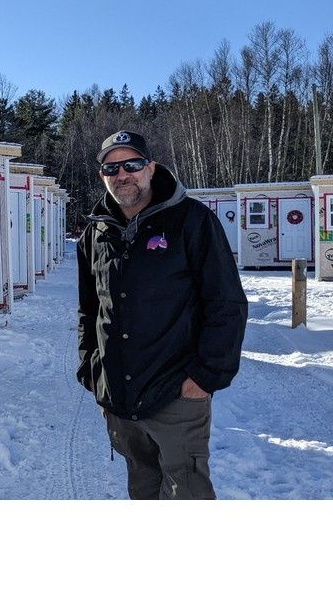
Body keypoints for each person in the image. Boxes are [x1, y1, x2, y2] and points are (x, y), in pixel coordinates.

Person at [76, 130, 247, 499]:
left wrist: (203, 378)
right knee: (142, 487)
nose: (123, 174)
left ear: (151, 168)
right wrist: (91, 367)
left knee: (186, 493)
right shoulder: (96, 232)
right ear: (102, 175)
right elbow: (89, 308)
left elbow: (227, 304)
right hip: (120, 396)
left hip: (176, 395)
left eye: (132, 164)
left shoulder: (192, 221)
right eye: (112, 168)